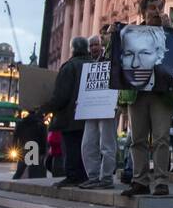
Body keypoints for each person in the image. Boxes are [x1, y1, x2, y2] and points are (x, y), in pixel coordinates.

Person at [120, 0, 173, 197]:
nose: (156, 11)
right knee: (137, 139)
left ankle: (161, 180)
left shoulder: (169, 33)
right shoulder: (130, 34)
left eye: (160, 8)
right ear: (143, 12)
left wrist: (169, 31)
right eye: (152, 8)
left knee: (162, 138)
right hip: (137, 92)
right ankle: (140, 180)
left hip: (161, 93)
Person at [38, 36, 90, 188]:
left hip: (69, 117)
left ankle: (73, 176)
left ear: (72, 49)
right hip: (88, 116)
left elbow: (61, 96)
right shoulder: (92, 65)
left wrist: (44, 109)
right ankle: (83, 175)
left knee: (71, 147)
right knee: (84, 147)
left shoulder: (69, 67)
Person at [79, 34, 118, 190]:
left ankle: (106, 177)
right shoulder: (87, 64)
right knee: (87, 144)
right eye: (91, 45)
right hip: (91, 108)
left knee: (107, 144)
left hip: (106, 107)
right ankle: (93, 176)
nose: (93, 48)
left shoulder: (109, 59)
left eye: (96, 44)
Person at [12, 109, 47, 179]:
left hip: (24, 147)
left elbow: (15, 137)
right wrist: (43, 152)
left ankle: (14, 181)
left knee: (20, 169)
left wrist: (15, 148)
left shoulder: (21, 123)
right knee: (35, 170)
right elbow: (44, 139)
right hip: (35, 149)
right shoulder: (40, 124)